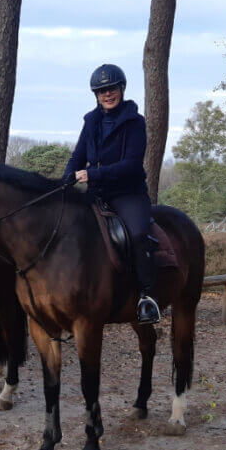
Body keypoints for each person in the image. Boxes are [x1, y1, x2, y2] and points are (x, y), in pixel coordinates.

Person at [61, 63, 160, 324]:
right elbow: (77, 156)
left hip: (128, 194)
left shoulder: (135, 123)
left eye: (112, 88)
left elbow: (131, 165)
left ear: (122, 89)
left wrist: (92, 174)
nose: (107, 94)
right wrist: (65, 180)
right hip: (96, 194)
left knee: (137, 235)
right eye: (102, 90)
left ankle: (146, 296)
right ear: (96, 94)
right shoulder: (91, 121)